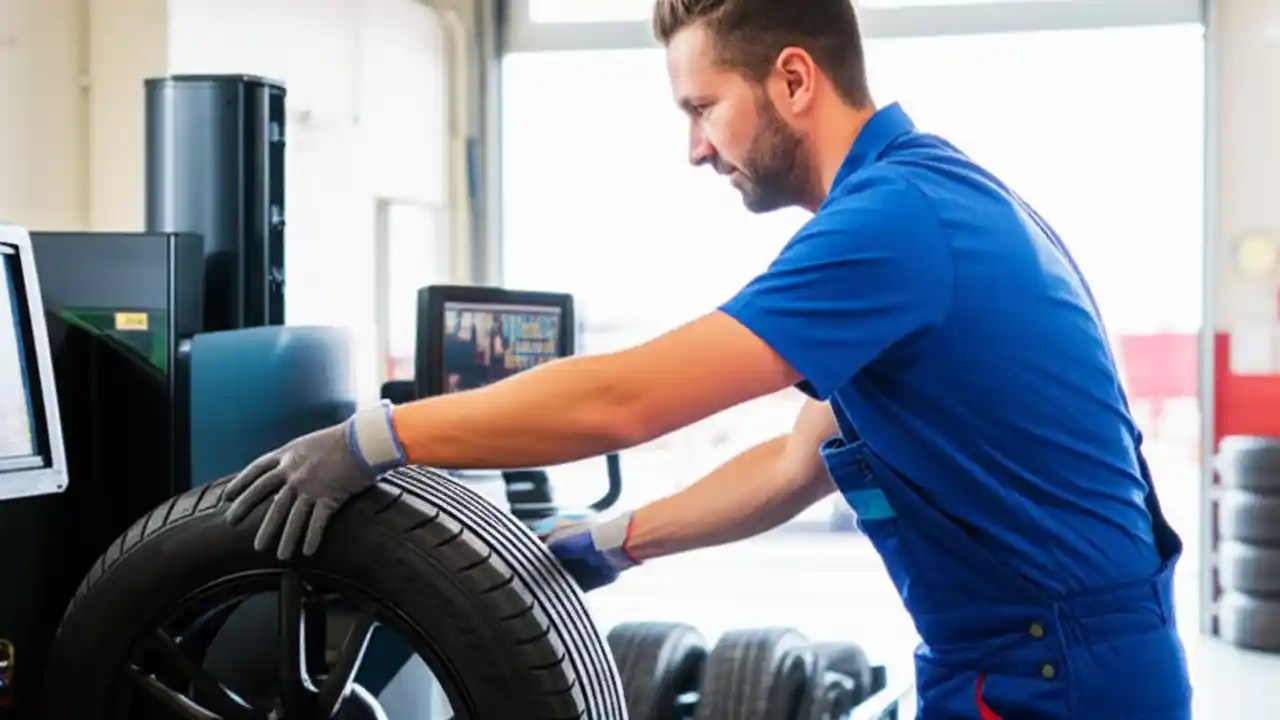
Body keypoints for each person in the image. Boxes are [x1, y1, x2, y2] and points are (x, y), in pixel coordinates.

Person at [223, 0, 1193, 716]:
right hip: (1029, 661)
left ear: (793, 80)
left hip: (1058, 679)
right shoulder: (920, 204)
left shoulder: (896, 225)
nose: (693, 148)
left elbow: (623, 401)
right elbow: (792, 463)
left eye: (702, 107)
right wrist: (611, 540)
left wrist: (377, 437)